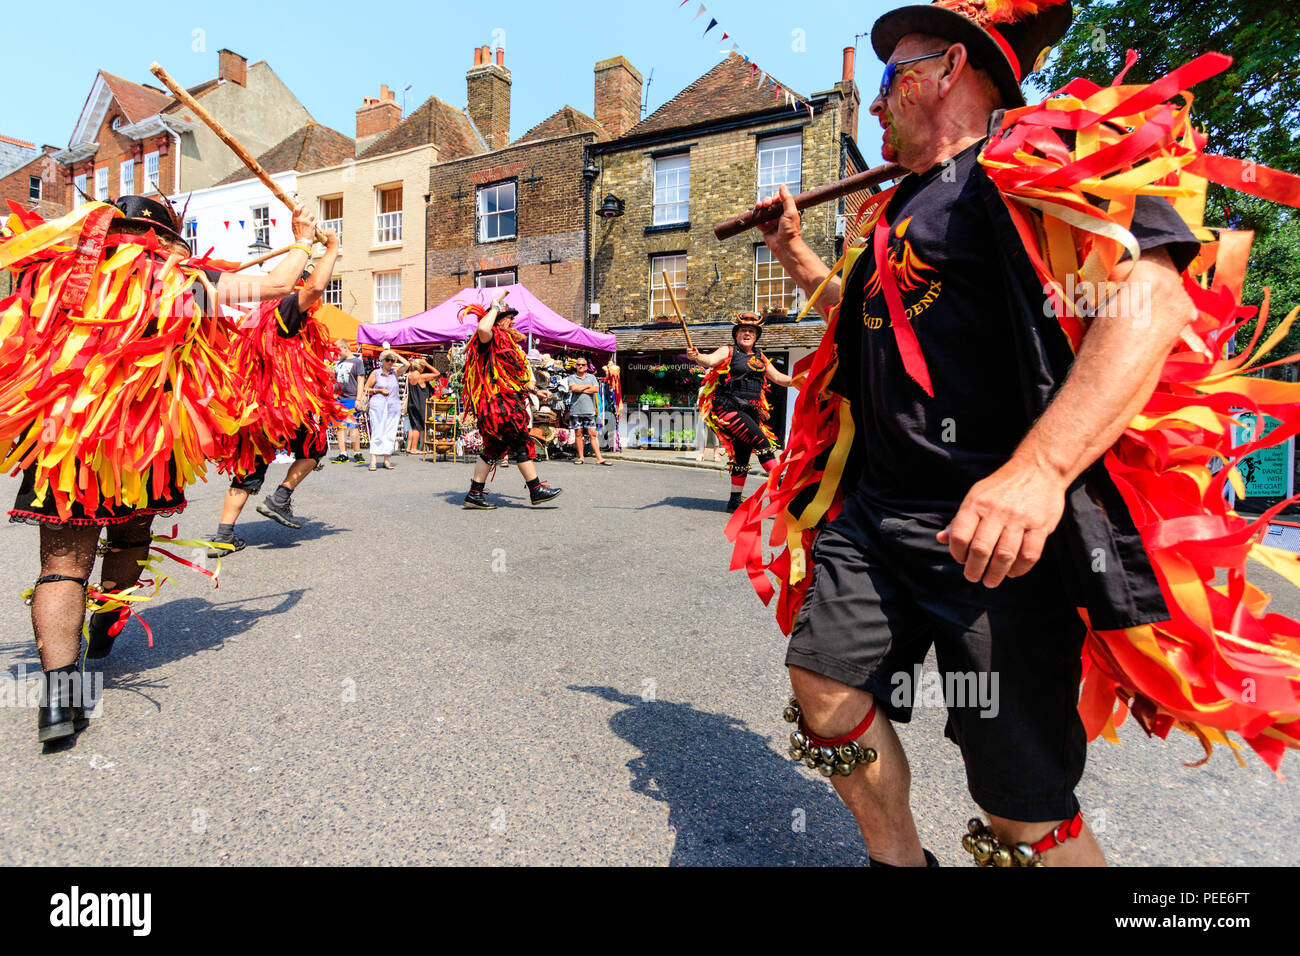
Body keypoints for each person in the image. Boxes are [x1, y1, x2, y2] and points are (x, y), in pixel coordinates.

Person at [724, 0, 1299, 867]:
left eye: (890, 79)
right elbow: (875, 322)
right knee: (826, 690)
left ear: (951, 68)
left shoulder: (1034, 160)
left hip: (998, 535)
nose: (876, 105)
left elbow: (1154, 295)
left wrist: (1040, 470)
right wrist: (799, 256)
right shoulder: (896, 210)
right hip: (876, 517)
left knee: (1018, 810)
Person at [0, 194, 311, 744]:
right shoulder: (178, 280)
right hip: (142, 444)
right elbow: (279, 285)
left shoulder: (54, 272)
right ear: (166, 238)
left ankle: (58, 701)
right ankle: (100, 635)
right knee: (127, 543)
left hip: (65, 443)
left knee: (62, 565)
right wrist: (306, 237)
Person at [208, 219, 343, 556]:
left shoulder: (258, 316)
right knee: (314, 449)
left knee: (247, 468)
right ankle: (279, 498)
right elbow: (313, 290)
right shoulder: (288, 307)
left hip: (254, 410)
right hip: (282, 408)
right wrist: (332, 250)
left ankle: (223, 536)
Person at [459, 291, 561, 508]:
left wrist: (533, 392)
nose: (513, 321)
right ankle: (536, 489)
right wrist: (495, 307)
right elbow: (482, 328)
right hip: (498, 405)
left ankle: (474, 493)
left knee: (493, 449)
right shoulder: (488, 337)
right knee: (520, 442)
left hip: (505, 402)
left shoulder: (507, 341)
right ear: (498, 318)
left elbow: (511, 377)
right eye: (509, 316)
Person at [687, 313, 792, 512]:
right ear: (736, 335)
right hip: (728, 407)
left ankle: (734, 501)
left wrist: (801, 380)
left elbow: (778, 378)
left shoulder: (760, 357)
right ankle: (783, 489)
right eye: (743, 330)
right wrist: (697, 356)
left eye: (751, 331)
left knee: (742, 456)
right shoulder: (728, 351)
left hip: (752, 411)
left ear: (756, 336)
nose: (747, 333)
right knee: (763, 443)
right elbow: (708, 360)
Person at [365, 350, 407, 470]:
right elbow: (366, 388)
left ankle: (386, 459)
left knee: (390, 432)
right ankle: (373, 460)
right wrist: (379, 390)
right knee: (377, 431)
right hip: (378, 406)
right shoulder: (376, 373)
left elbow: (407, 365)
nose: (390, 362)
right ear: (382, 361)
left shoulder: (395, 373)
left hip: (393, 407)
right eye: (387, 360)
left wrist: (395, 354)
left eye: (392, 360)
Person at [565, 357, 610, 465]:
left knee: (593, 434)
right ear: (576, 366)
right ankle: (581, 457)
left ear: (586, 367)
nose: (580, 366)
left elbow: (596, 389)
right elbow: (573, 388)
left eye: (583, 365)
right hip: (576, 410)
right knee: (578, 434)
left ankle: (599, 458)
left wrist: (581, 388)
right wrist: (588, 386)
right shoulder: (572, 377)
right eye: (579, 364)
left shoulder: (592, 377)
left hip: (589, 410)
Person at [330, 340, 366, 464]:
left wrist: (358, 398)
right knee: (340, 426)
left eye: (338, 350)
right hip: (339, 398)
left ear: (345, 348)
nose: (337, 353)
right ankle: (342, 453)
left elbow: (360, 380)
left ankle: (357, 452)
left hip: (351, 397)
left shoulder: (357, 362)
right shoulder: (339, 363)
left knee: (352, 426)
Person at [403, 357, 438, 455]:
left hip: (411, 403)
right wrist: (427, 365)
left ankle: (410, 447)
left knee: (414, 426)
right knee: (418, 426)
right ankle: (414, 448)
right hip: (420, 403)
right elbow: (437, 373)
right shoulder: (422, 377)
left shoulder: (409, 375)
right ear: (421, 367)